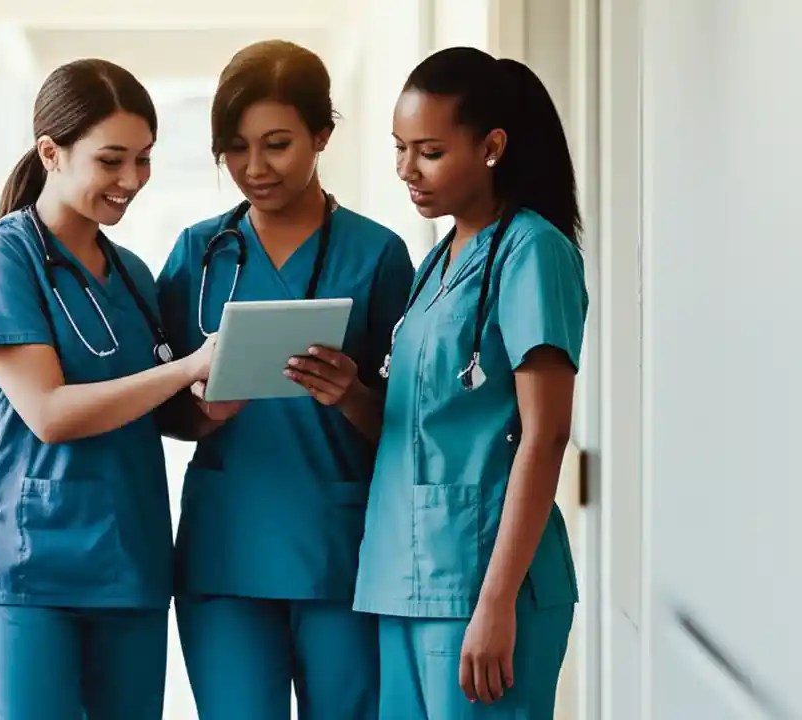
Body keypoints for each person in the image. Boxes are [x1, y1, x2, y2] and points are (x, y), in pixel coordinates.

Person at [155, 39, 416, 720]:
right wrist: (206, 412)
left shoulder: (377, 254)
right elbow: (159, 407)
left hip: (341, 548)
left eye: (276, 144)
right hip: (226, 547)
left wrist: (350, 393)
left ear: (322, 135)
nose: (254, 167)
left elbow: (412, 418)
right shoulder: (199, 253)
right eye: (234, 148)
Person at [0, 59, 215, 720]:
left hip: (127, 559)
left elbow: (153, 410)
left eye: (145, 160)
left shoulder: (132, 276)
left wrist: (217, 401)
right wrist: (185, 369)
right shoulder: (1, 259)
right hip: (26, 565)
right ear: (51, 153)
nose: (131, 182)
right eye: (112, 160)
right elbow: (49, 413)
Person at [353, 47, 588, 720]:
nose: (406, 171)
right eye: (399, 149)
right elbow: (426, 424)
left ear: (491, 147)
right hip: (406, 577)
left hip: (483, 583)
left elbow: (545, 436)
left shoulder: (531, 252)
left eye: (428, 151)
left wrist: (496, 603)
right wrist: (346, 392)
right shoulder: (438, 261)